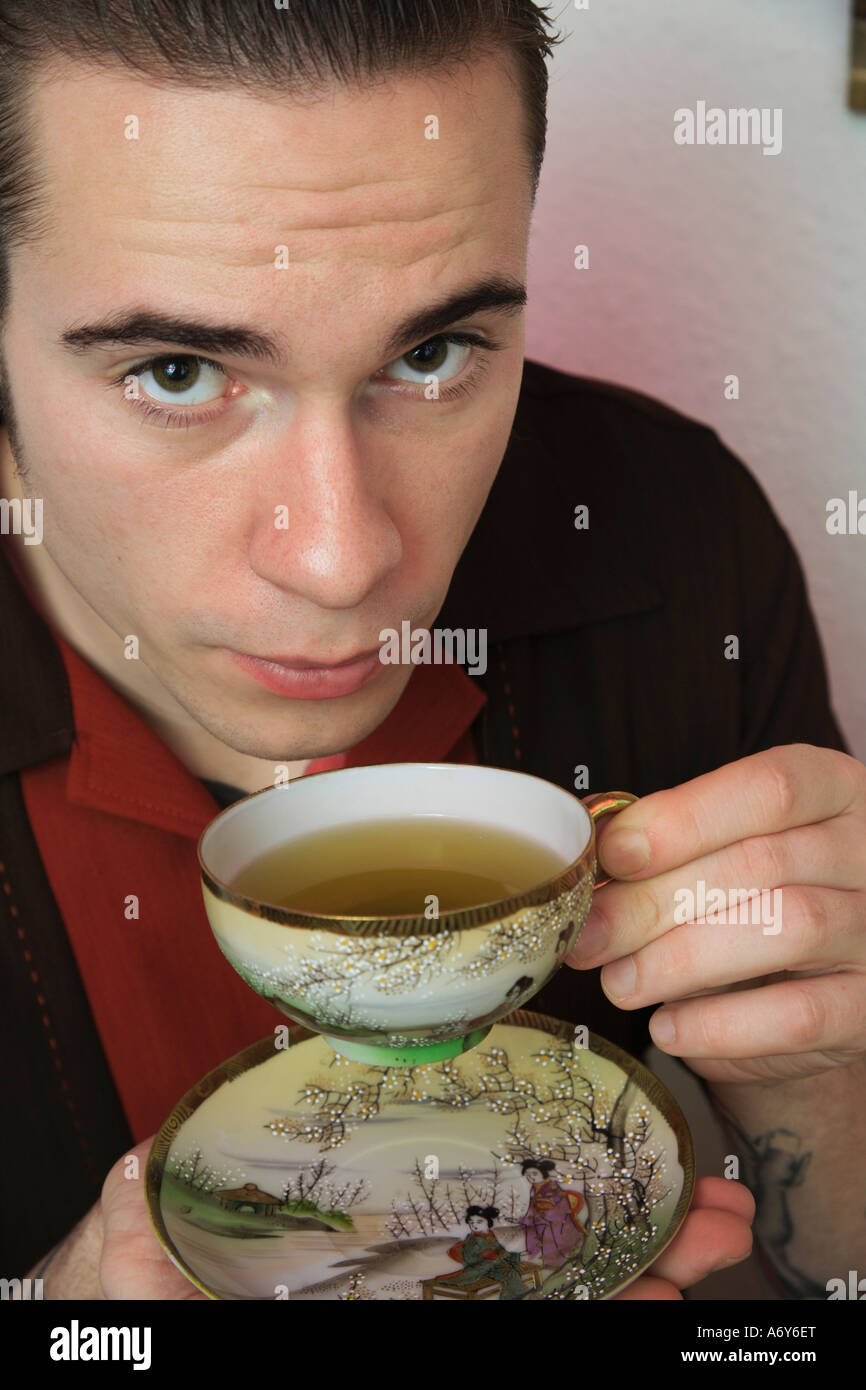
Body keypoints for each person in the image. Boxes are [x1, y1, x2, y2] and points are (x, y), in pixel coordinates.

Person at [0, 1, 862, 1303]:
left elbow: (819, 1270)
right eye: (177, 370)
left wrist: (828, 1087)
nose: (343, 559)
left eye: (432, 351)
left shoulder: (671, 534)